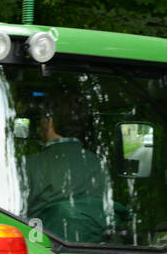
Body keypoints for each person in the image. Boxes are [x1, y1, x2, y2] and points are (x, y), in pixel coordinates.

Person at [23, 88, 109, 243]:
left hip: (43, 247)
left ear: (49, 121)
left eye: (42, 118)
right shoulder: (99, 162)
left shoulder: (30, 164)